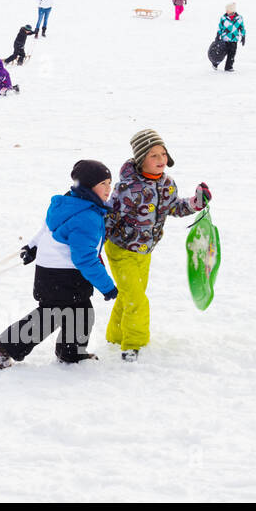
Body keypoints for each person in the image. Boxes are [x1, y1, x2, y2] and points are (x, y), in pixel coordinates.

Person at [0, 160, 119, 368]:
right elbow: (85, 259)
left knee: (81, 312)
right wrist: (107, 286)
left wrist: (33, 246)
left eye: (110, 183)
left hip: (53, 273)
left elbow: (46, 230)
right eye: (103, 183)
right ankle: (4, 346)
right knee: (51, 316)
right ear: (87, 186)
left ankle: (71, 353)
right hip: (64, 275)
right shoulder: (87, 217)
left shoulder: (66, 203)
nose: (108, 189)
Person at [104, 130, 210, 362]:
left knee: (131, 294)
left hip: (145, 250)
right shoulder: (128, 188)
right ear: (141, 159)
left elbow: (175, 208)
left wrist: (196, 203)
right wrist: (95, 248)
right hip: (121, 249)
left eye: (163, 154)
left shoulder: (167, 184)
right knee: (137, 299)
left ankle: (114, 336)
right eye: (153, 155)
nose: (161, 159)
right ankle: (133, 345)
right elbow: (108, 217)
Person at [213, 3, 246, 71]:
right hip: (225, 39)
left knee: (232, 54)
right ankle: (215, 63)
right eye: (226, 10)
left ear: (232, 10)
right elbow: (220, 27)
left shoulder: (239, 18)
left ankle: (228, 67)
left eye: (228, 10)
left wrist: (243, 36)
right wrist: (218, 35)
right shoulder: (223, 18)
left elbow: (242, 28)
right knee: (220, 53)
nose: (226, 11)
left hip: (234, 39)